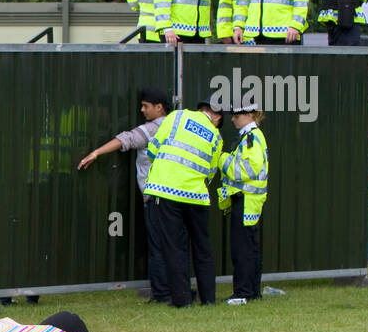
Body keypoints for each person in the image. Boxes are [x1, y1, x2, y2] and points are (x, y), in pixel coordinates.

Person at [77, 86, 171, 304]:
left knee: (158, 247)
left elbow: (126, 139)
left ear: (159, 107)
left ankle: (161, 294)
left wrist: (96, 152)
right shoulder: (179, 126)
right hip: (180, 195)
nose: (142, 110)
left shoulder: (155, 128)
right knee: (175, 245)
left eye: (146, 106)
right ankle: (178, 290)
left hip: (156, 197)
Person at [142, 97, 223, 307]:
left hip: (166, 192)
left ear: (200, 109)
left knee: (175, 248)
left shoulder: (176, 117)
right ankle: (209, 300)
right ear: (217, 117)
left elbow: (152, 151)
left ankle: (182, 300)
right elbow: (211, 171)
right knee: (202, 247)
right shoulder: (216, 135)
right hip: (197, 196)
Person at [216, 102, 269, 304]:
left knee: (242, 250)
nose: (232, 119)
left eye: (236, 115)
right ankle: (252, 291)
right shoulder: (252, 137)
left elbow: (246, 170)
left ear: (248, 115)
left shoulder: (251, 138)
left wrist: (222, 159)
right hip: (249, 200)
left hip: (245, 199)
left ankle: (243, 292)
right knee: (250, 248)